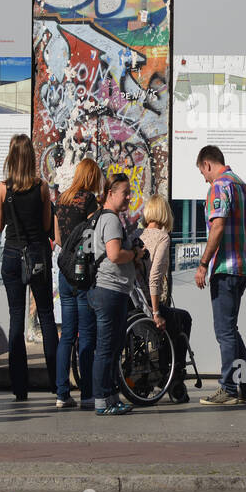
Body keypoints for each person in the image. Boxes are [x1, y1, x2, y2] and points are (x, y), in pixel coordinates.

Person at [194, 146, 246, 406]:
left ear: (208, 164)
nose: (204, 178)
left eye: (202, 172)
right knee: (232, 329)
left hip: (225, 268)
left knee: (224, 332)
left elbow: (217, 226)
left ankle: (228, 388)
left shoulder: (219, 186)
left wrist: (203, 263)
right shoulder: (241, 185)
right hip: (241, 266)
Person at [0, 134, 56, 403]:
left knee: (16, 319)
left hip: (12, 254)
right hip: (37, 254)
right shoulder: (42, 188)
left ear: (11, 157)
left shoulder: (3, 189)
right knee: (45, 315)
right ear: (31, 157)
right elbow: (45, 227)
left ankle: (20, 387)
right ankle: (57, 383)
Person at [90, 173, 142, 415]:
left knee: (111, 347)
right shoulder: (110, 219)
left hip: (112, 290)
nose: (129, 197)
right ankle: (102, 400)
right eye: (125, 192)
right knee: (106, 347)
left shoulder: (102, 217)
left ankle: (110, 397)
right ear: (111, 193)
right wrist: (133, 254)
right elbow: (113, 254)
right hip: (110, 289)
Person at [53, 157, 102, 409]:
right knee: (87, 335)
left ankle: (62, 394)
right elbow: (92, 236)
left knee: (67, 335)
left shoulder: (60, 201)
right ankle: (87, 395)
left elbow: (58, 238)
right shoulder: (89, 201)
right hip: (83, 273)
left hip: (64, 271)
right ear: (91, 177)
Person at [141, 194, 191, 403]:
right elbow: (154, 277)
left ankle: (163, 370)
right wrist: (155, 312)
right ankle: (173, 375)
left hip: (136, 301)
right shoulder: (162, 237)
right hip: (148, 303)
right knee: (183, 319)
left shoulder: (139, 235)